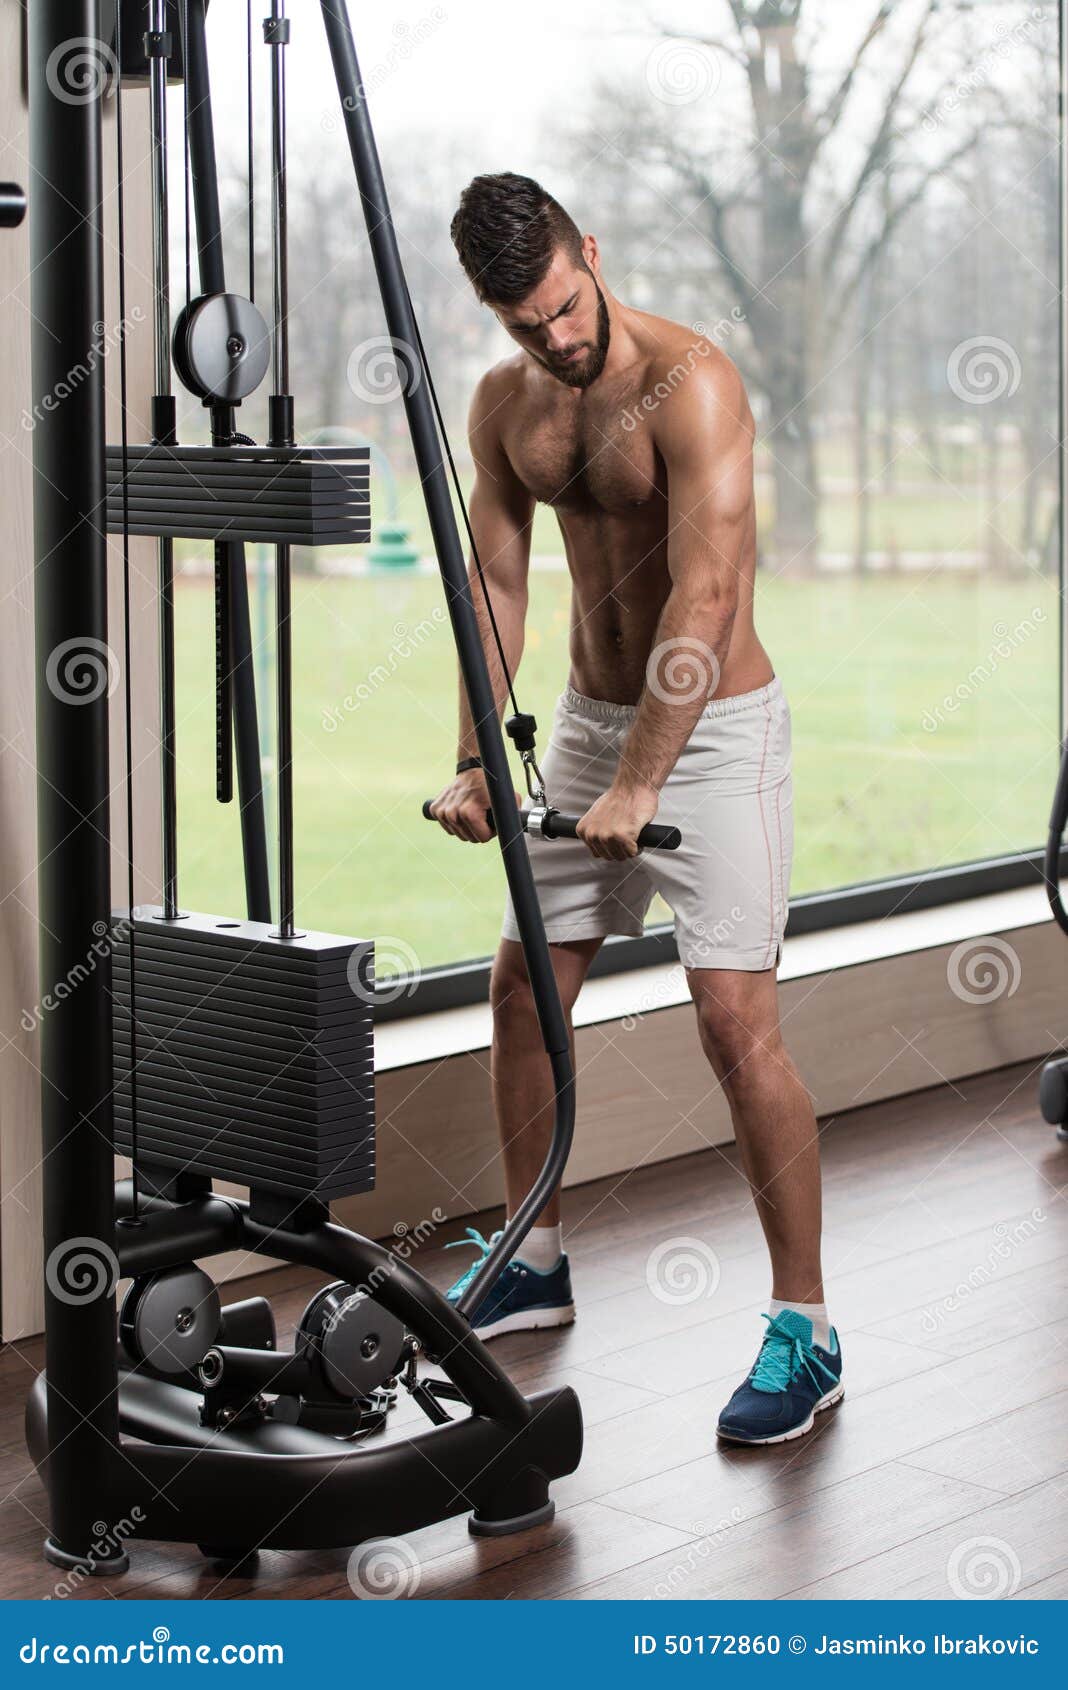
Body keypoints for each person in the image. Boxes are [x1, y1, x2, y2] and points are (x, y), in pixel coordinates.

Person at [428, 173, 842, 1444]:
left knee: (734, 1024)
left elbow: (706, 596)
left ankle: (808, 1327)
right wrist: (477, 758)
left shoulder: (694, 381)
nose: (556, 337)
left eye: (565, 305)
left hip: (713, 735)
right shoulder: (505, 405)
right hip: (588, 724)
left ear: (591, 253)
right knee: (522, 990)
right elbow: (496, 586)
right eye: (525, 323)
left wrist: (643, 783)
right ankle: (533, 1255)